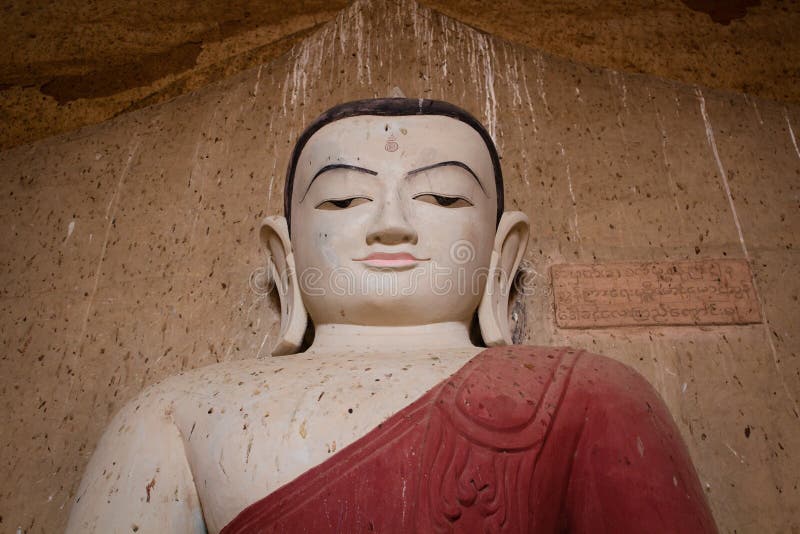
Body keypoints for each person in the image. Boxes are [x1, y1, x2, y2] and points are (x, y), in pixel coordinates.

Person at [66, 99, 717, 533]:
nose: (392, 225)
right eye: (344, 200)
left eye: (441, 194)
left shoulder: (591, 394)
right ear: (283, 256)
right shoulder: (182, 412)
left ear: (502, 250)